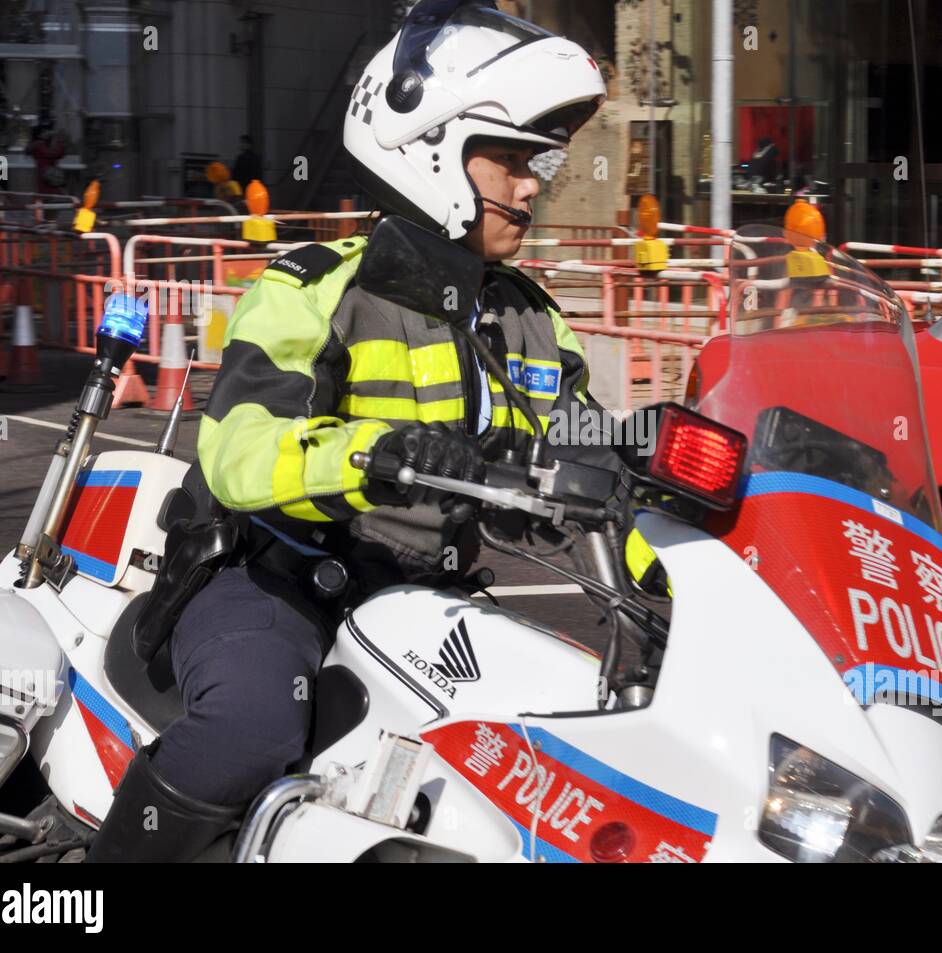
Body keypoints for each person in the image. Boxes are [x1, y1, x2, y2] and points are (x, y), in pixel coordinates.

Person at [85, 0, 608, 862]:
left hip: (428, 606)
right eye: (508, 159)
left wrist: (692, 534)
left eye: (534, 161)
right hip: (274, 584)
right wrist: (374, 454)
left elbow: (594, 448)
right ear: (432, 151)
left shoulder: (537, 322)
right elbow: (238, 451)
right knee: (250, 733)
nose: (531, 185)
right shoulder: (312, 287)